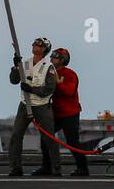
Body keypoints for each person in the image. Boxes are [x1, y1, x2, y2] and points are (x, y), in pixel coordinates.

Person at [7, 36, 60, 177]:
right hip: (25, 104)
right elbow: (14, 80)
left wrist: (31, 89)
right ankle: (15, 168)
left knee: (49, 138)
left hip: (42, 106)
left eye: (39, 44)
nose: (35, 46)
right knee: (16, 136)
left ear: (44, 49)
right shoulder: (25, 64)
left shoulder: (49, 67)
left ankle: (56, 168)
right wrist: (15, 67)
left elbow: (49, 89)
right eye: (35, 43)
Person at [50, 48, 88, 176]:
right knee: (46, 138)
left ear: (62, 60)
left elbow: (68, 92)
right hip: (55, 113)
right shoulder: (49, 73)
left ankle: (83, 168)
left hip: (70, 114)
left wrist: (57, 82)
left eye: (55, 57)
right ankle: (47, 166)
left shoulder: (70, 74)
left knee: (72, 142)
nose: (51, 58)